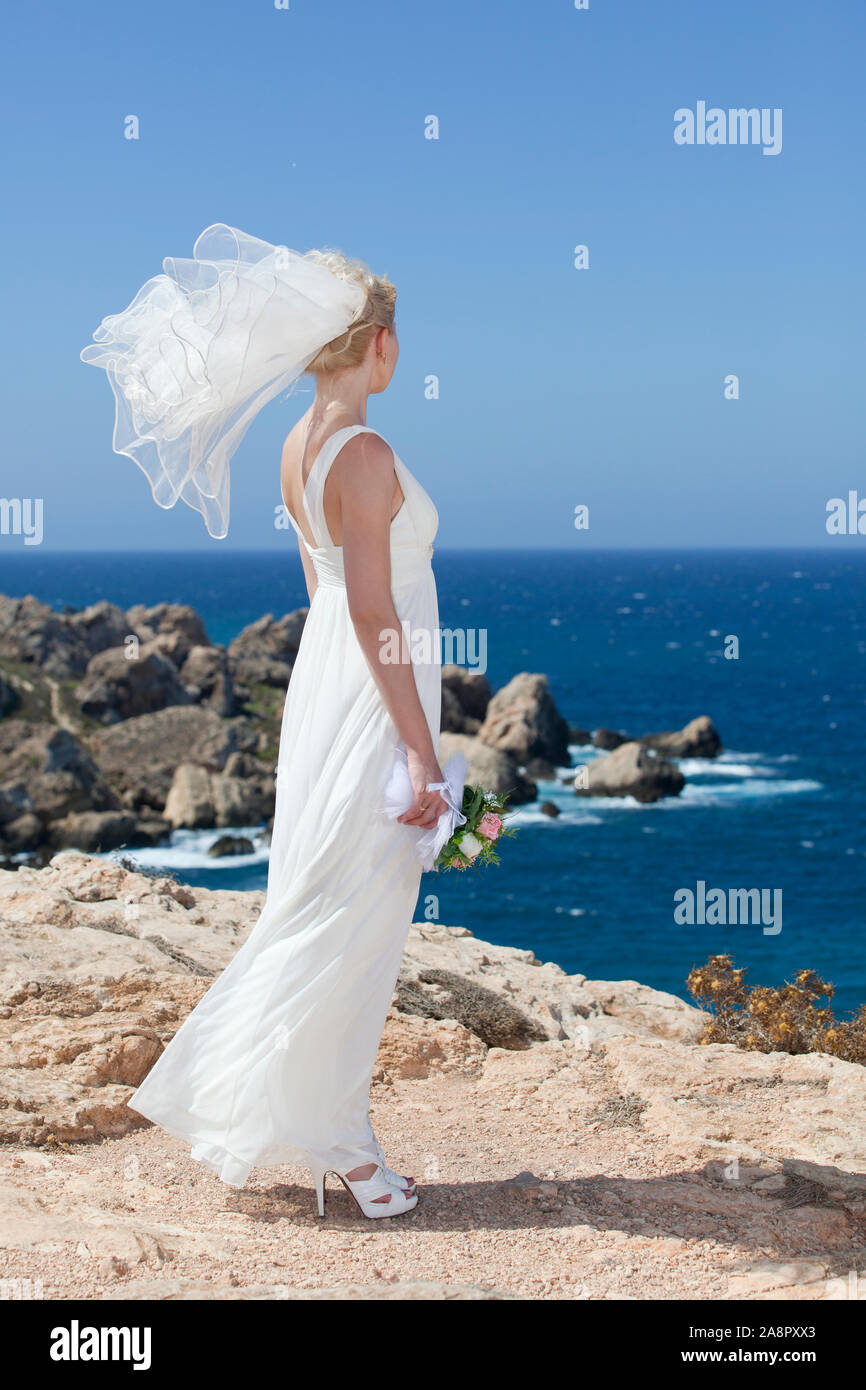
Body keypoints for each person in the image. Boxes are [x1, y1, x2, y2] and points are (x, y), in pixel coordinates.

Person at [82, 227, 447, 1218]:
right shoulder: (363, 451)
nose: (399, 349)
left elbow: (322, 590)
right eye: (396, 333)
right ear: (375, 346)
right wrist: (421, 748)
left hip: (328, 686)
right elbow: (375, 611)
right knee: (350, 922)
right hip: (369, 698)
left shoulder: (300, 446)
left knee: (326, 903)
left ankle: (335, 1131)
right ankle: (341, 1145)